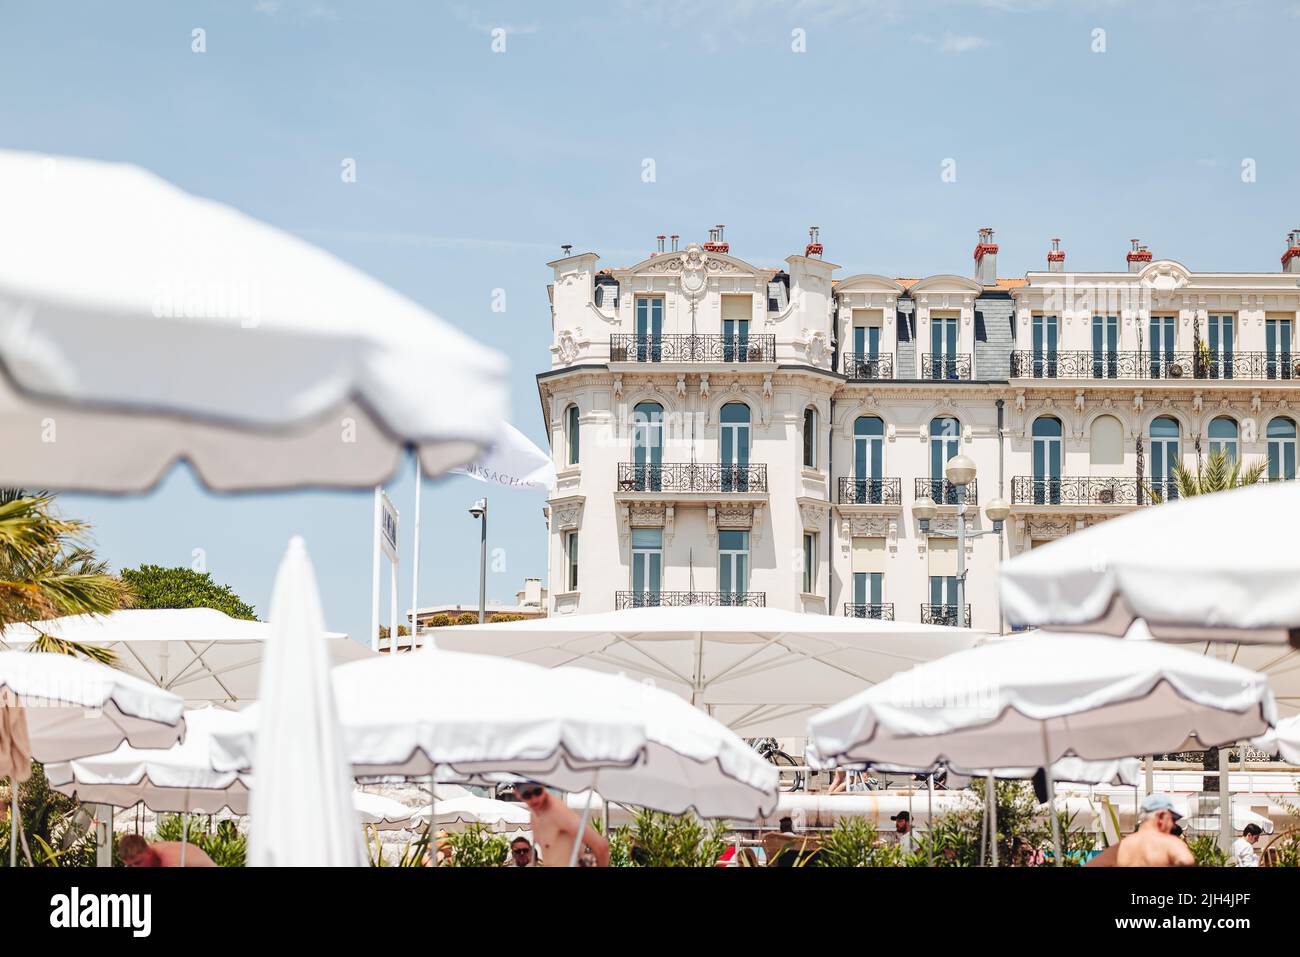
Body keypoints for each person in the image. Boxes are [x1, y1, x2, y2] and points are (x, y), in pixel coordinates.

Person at [513, 781, 608, 867]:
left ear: (543, 786)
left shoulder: (558, 813)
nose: (534, 799)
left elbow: (602, 846)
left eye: (538, 792)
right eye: (527, 795)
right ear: (516, 793)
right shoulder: (534, 815)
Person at [1113, 794, 1194, 867]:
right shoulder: (1170, 843)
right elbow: (1186, 861)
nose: (1173, 825)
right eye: (1172, 819)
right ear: (1161, 816)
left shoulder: (1121, 847)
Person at [118, 833, 216, 867]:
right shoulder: (151, 854)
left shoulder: (170, 857)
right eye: (130, 865)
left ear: (148, 851)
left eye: (138, 863)